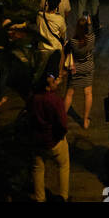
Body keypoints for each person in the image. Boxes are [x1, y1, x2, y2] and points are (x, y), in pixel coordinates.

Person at [28, 58, 70, 202]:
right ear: (48, 84)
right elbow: (62, 123)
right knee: (64, 165)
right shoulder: (54, 100)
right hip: (53, 140)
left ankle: (40, 198)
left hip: (36, 139)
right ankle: (63, 196)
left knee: (37, 169)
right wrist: (61, 135)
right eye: (54, 80)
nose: (56, 82)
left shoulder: (34, 98)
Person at [65, 15, 95, 128]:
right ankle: (85, 121)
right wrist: (90, 24)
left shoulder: (73, 42)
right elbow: (91, 32)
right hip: (88, 67)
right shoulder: (91, 38)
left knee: (69, 94)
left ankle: (62, 118)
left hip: (75, 69)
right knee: (88, 93)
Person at [36, 0, 67, 76]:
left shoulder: (40, 16)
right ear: (57, 5)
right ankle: (60, 73)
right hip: (55, 48)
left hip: (42, 46)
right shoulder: (60, 19)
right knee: (63, 49)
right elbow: (63, 34)